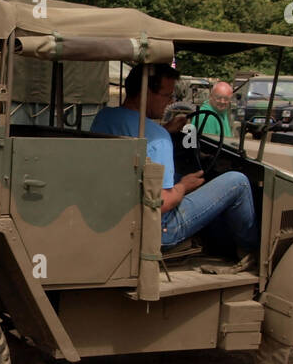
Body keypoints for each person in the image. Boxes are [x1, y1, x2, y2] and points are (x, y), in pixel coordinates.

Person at [92, 64, 258, 269]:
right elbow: (162, 204)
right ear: (145, 92)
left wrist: (165, 130)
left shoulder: (106, 117)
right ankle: (250, 252)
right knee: (237, 182)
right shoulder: (158, 139)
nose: (170, 102)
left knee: (180, 175)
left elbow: (137, 139)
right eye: (167, 95)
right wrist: (184, 186)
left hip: (116, 211)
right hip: (158, 229)